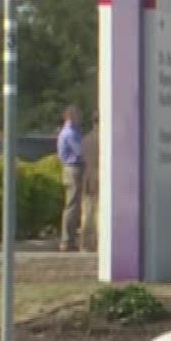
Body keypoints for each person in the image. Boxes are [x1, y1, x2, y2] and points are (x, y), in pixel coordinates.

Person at [56, 106, 85, 252]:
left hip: (69, 167)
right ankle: (67, 240)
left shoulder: (66, 132)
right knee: (72, 205)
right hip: (73, 168)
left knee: (72, 204)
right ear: (71, 117)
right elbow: (80, 151)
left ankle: (69, 239)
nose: (80, 119)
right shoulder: (71, 133)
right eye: (78, 116)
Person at [79, 115, 100, 252]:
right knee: (99, 215)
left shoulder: (85, 139)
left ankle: (85, 244)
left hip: (88, 179)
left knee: (87, 214)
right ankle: (98, 243)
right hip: (100, 178)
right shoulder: (105, 139)